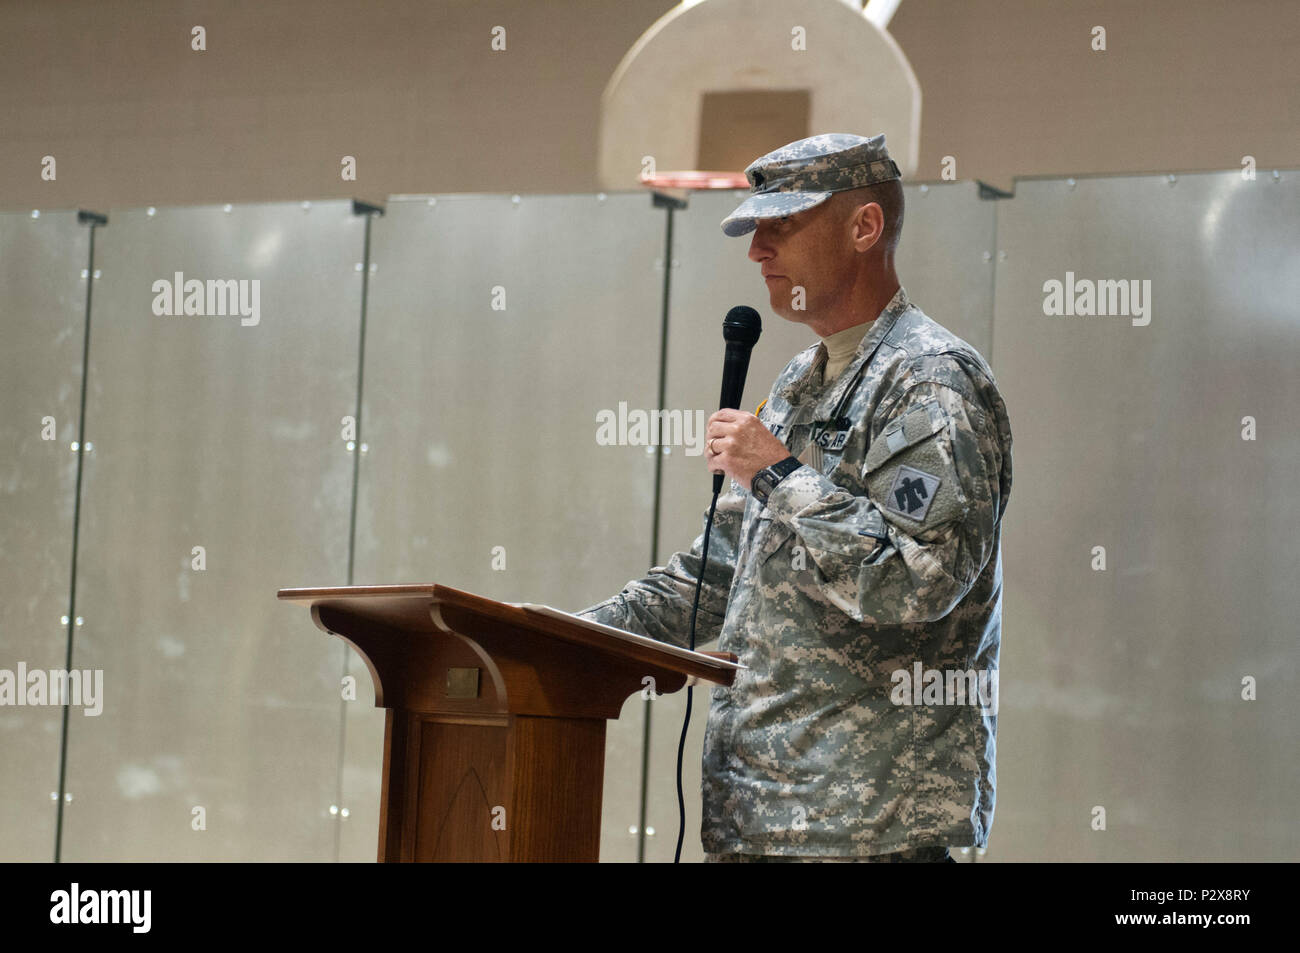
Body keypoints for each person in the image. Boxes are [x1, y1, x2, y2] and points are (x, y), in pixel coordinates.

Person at [578, 133, 1013, 862]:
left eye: (781, 225)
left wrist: (780, 474)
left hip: (874, 830)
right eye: (755, 229)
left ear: (864, 227)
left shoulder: (932, 379)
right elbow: (719, 572)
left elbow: (918, 581)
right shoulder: (798, 383)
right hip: (758, 822)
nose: (757, 250)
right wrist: (567, 637)